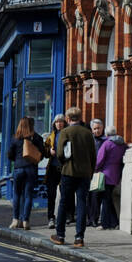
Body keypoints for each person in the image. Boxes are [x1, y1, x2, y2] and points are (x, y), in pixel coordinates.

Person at [51, 106, 96, 248]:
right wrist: (90, 171)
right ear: (80, 118)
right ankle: (79, 238)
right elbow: (93, 155)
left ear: (68, 119)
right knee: (82, 203)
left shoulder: (65, 132)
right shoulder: (88, 133)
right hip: (84, 174)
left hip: (68, 172)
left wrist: (63, 163)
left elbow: (59, 154)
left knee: (64, 203)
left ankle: (60, 235)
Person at [6, 117, 45, 229]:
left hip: (18, 169)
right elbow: (41, 154)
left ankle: (15, 220)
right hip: (31, 169)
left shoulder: (16, 138)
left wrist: (17, 160)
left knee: (17, 194)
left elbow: (9, 155)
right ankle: (25, 221)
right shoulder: (37, 138)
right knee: (28, 195)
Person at [95, 126, 128, 230]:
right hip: (117, 174)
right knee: (109, 199)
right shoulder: (123, 144)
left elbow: (99, 160)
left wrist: (94, 169)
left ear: (106, 134)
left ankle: (105, 223)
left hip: (106, 174)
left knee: (105, 199)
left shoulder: (107, 143)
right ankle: (114, 222)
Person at [45, 114, 67, 229]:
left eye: (61, 121)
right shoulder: (51, 136)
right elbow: (45, 152)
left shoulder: (67, 135)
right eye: (57, 122)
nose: (59, 124)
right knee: (51, 195)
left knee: (65, 194)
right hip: (53, 168)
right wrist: (49, 151)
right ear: (54, 124)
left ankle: (64, 217)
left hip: (64, 168)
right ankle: (51, 218)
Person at [87, 119, 106, 228]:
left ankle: (94, 218)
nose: (97, 130)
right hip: (88, 171)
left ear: (102, 128)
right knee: (87, 196)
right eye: (95, 128)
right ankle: (89, 218)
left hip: (99, 172)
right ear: (91, 129)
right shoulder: (89, 140)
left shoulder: (105, 141)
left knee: (96, 196)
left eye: (99, 128)